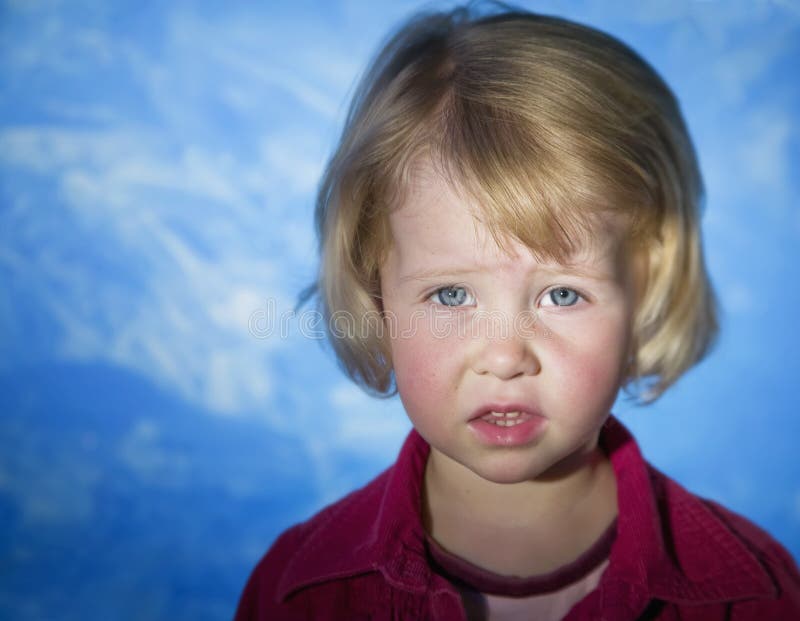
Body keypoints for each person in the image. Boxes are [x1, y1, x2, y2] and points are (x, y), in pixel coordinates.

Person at [234, 4, 800, 620]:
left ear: (646, 294)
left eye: (562, 295)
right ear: (376, 299)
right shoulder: (300, 592)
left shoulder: (758, 594)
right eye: (451, 295)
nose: (504, 357)